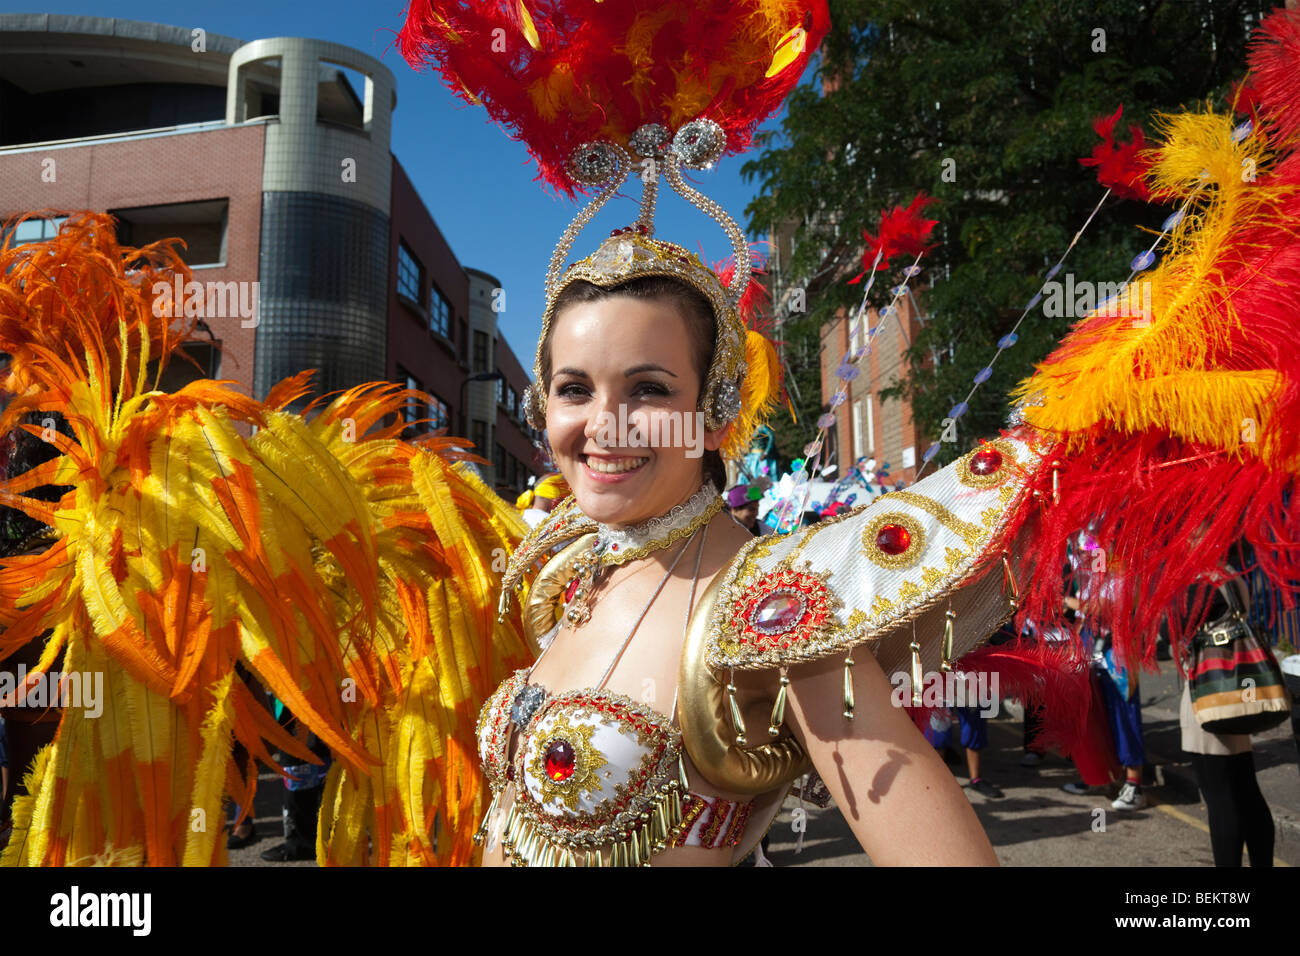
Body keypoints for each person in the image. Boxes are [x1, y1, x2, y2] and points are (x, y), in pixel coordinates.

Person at [1178, 564, 1275, 866]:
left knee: (1221, 801)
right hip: (1233, 692)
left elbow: (1173, 632)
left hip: (1208, 695)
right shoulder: (1230, 576)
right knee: (1247, 793)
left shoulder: (1199, 583)